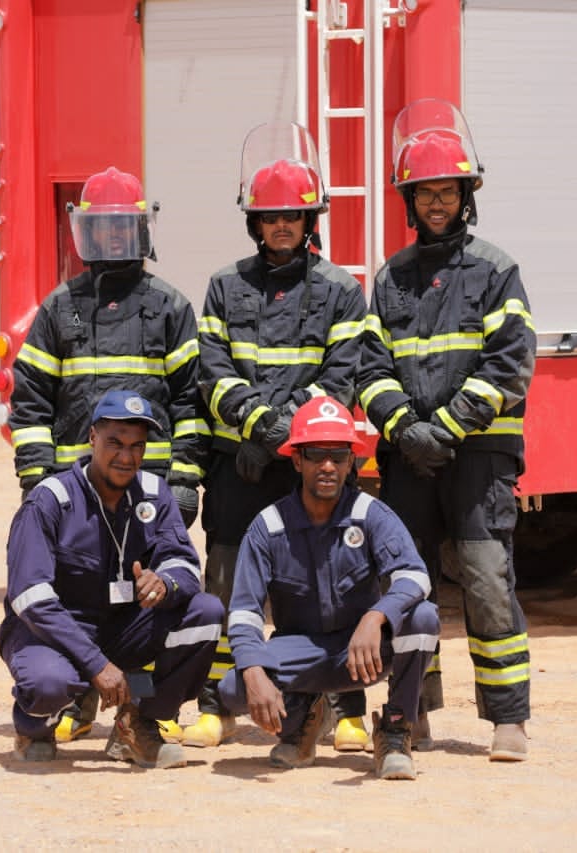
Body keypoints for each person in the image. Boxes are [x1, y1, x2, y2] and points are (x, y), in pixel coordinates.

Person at [357, 99, 537, 761]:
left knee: (487, 578)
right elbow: (370, 366)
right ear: (411, 200)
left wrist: (449, 428)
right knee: (408, 582)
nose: (437, 203)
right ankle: (412, 710)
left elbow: (510, 363)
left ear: (466, 196)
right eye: (426, 193)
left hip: (480, 455)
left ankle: (508, 720)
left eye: (448, 191)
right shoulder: (391, 278)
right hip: (409, 457)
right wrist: (406, 428)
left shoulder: (495, 271)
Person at [8, 167, 209, 743]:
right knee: (78, 602)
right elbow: (30, 402)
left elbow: (191, 404)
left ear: (142, 230)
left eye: (124, 227)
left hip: (146, 495)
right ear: (84, 233)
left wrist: (183, 481)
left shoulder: (169, 307)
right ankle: (74, 696)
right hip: (75, 500)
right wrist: (38, 482)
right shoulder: (60, 308)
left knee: (153, 598)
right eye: (103, 228)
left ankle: (139, 711)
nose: (114, 238)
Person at [188, 122, 369, 750]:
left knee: (329, 582)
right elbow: (212, 371)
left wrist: (278, 435)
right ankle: (215, 706)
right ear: (255, 223)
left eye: (292, 215)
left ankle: (346, 709)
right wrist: (258, 426)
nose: (282, 225)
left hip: (311, 464)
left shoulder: (342, 291)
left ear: (310, 219)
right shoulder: (224, 286)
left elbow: (340, 380)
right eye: (270, 216)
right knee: (223, 580)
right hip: (237, 465)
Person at [0, 390, 223, 768]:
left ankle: (139, 721)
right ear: (92, 438)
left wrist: (165, 583)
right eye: (115, 443)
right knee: (49, 683)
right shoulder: (51, 500)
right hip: (51, 633)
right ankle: (35, 728)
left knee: (205, 612)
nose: (126, 456)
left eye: (137, 446)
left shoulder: (154, 494)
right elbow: (29, 597)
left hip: (120, 628)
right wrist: (96, 665)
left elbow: (184, 563)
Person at [217, 397, 440, 780]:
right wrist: (253, 671)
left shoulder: (369, 514)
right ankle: (304, 718)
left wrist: (376, 616)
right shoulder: (268, 526)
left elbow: (415, 576)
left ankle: (395, 729)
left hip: (363, 651)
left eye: (338, 456)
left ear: (351, 462)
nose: (327, 466)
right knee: (233, 689)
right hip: (300, 651)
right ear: (296, 460)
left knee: (423, 617)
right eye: (316, 454)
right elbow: (244, 613)